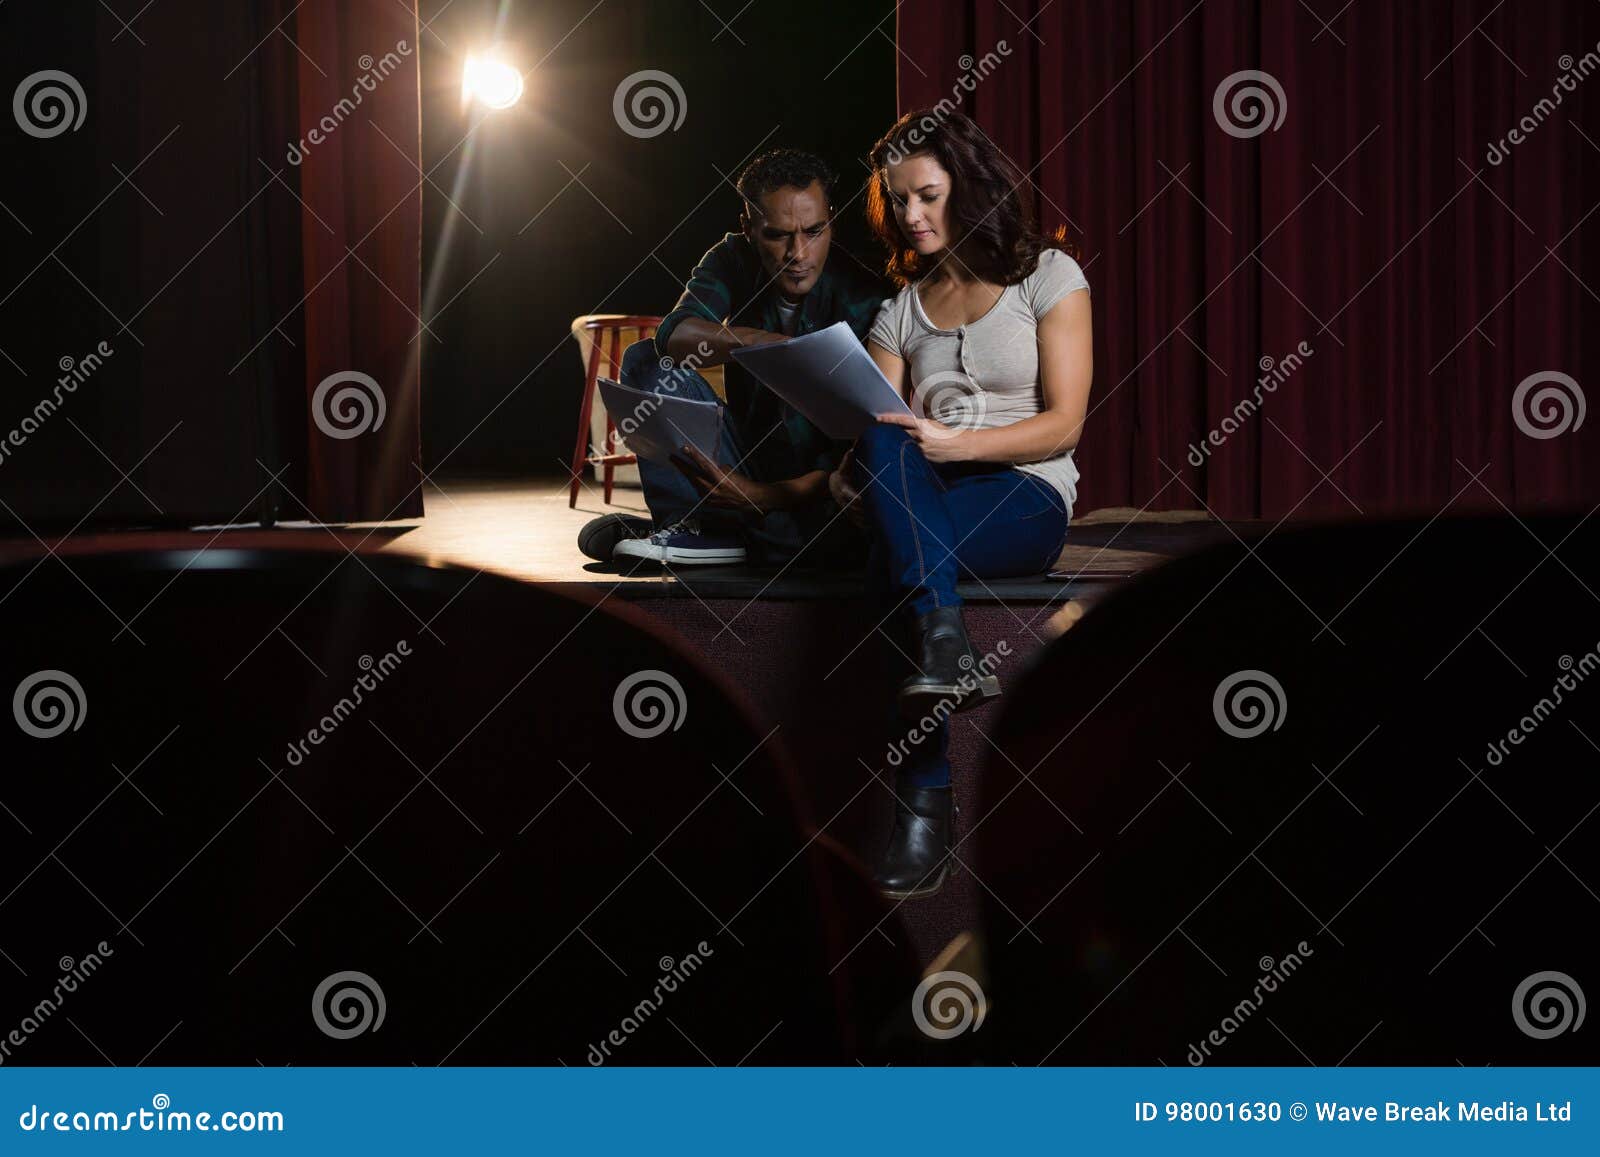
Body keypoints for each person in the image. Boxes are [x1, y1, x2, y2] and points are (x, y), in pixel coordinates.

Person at [835, 109, 1093, 899]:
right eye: (898, 201)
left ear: (968, 185)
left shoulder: (1049, 276)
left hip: (1026, 496)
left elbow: (1064, 422)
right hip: (930, 500)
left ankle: (924, 797)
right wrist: (866, 470)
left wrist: (959, 447)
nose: (911, 216)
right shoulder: (898, 312)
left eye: (928, 195)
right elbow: (878, 431)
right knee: (882, 436)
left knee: (893, 560)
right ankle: (944, 646)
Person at [578, 148, 887, 568]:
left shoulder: (863, 293)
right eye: (777, 235)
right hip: (745, 455)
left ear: (831, 217)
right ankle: (695, 528)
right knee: (647, 361)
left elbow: (860, 455)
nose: (798, 254)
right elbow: (675, 333)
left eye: (814, 230)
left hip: (812, 489)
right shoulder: (731, 258)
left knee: (828, 539)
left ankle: (713, 533)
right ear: (748, 227)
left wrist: (760, 497)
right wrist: (763, 342)